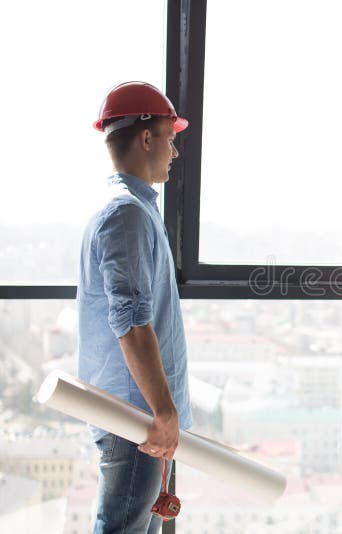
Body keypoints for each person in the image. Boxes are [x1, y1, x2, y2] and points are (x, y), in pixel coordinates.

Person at [77, 81, 192, 533]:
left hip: (140, 419)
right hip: (137, 421)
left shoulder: (135, 212)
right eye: (171, 138)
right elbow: (131, 324)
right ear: (147, 138)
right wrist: (163, 413)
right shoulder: (126, 215)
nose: (175, 153)